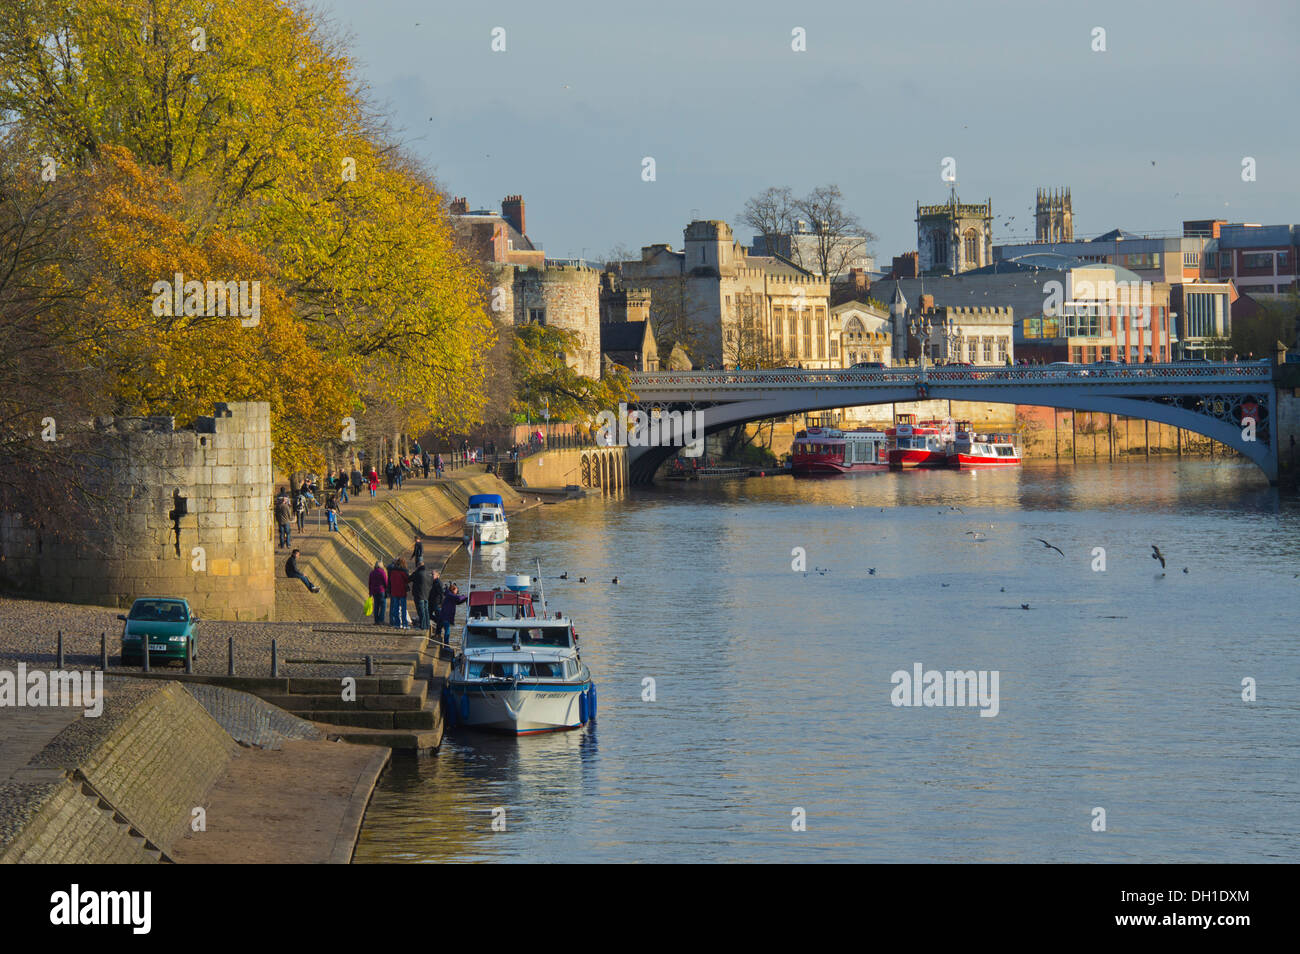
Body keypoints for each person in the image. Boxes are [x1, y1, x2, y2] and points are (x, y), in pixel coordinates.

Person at [409, 560, 433, 630]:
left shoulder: (417, 573)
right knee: (426, 611)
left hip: (419, 595)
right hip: (426, 595)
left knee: (421, 611)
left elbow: (409, 578)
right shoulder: (428, 574)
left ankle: (422, 626)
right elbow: (431, 583)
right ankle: (427, 625)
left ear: (418, 566)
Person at [387, 557, 410, 628]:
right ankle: (404, 623)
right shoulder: (404, 571)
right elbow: (407, 580)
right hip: (402, 592)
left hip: (394, 592)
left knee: (395, 608)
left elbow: (390, 581)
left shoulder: (393, 572)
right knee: (403, 608)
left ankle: (397, 623)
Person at [368, 561, 388, 625]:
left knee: (376, 605)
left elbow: (370, 583)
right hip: (381, 590)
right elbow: (385, 582)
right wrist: (386, 589)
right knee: (383, 606)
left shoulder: (372, 573)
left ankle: (376, 620)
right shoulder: (382, 572)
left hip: (374, 591)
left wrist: (370, 592)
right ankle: (381, 620)